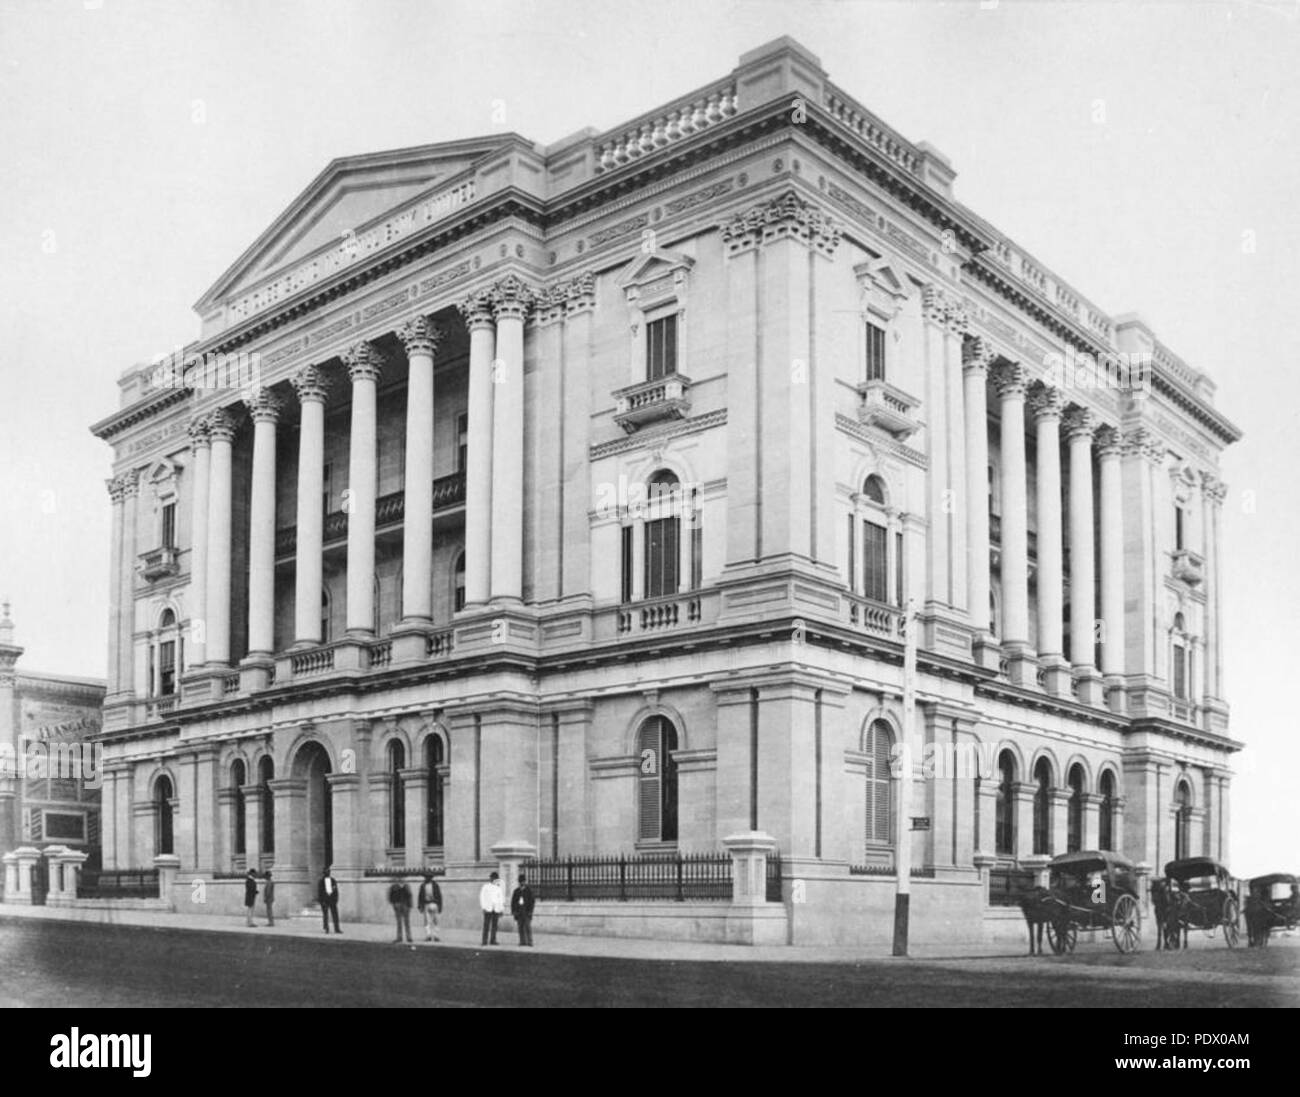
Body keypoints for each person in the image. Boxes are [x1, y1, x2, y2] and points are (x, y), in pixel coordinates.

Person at [510, 872, 535, 947]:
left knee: (528, 926)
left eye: (523, 881)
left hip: (526, 911)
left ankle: (530, 941)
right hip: (519, 911)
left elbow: (532, 901)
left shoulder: (529, 891)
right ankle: (522, 941)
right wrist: (514, 911)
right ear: (519, 882)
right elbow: (513, 902)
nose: (522, 883)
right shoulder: (516, 891)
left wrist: (530, 911)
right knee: (520, 927)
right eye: (520, 881)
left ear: (525, 881)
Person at [479, 871, 504, 945]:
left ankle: (493, 940)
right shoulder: (486, 887)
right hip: (488, 908)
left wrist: (501, 909)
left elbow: (501, 899)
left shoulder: (498, 888)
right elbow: (482, 897)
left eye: (495, 879)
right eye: (492, 878)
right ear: (490, 878)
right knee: (486, 925)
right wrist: (483, 907)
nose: (494, 880)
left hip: (496, 909)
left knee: (495, 926)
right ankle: (484, 940)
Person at [417, 873, 443, 942]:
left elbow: (439, 896)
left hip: (434, 903)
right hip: (426, 904)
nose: (427, 878)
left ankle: (435, 936)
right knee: (427, 921)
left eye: (429, 877)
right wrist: (420, 906)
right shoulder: (423, 886)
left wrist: (440, 906)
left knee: (435, 920)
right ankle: (428, 935)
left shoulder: (435, 885)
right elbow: (420, 896)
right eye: (426, 877)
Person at [389, 876, 414, 943]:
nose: (401, 879)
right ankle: (399, 937)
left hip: (405, 905)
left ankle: (409, 937)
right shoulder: (394, 887)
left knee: (407, 922)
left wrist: (410, 906)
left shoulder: (407, 886)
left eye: (402, 878)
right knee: (399, 922)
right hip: (398, 905)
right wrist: (394, 904)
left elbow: (410, 896)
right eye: (399, 878)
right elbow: (391, 896)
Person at [317, 866, 342, 934]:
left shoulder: (333, 880)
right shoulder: (321, 882)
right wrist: (321, 901)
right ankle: (326, 928)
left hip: (332, 900)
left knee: (335, 915)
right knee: (325, 915)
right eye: (326, 872)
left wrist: (336, 899)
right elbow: (320, 892)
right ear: (324, 873)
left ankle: (337, 928)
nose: (327, 873)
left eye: (328, 871)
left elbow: (336, 890)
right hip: (325, 900)